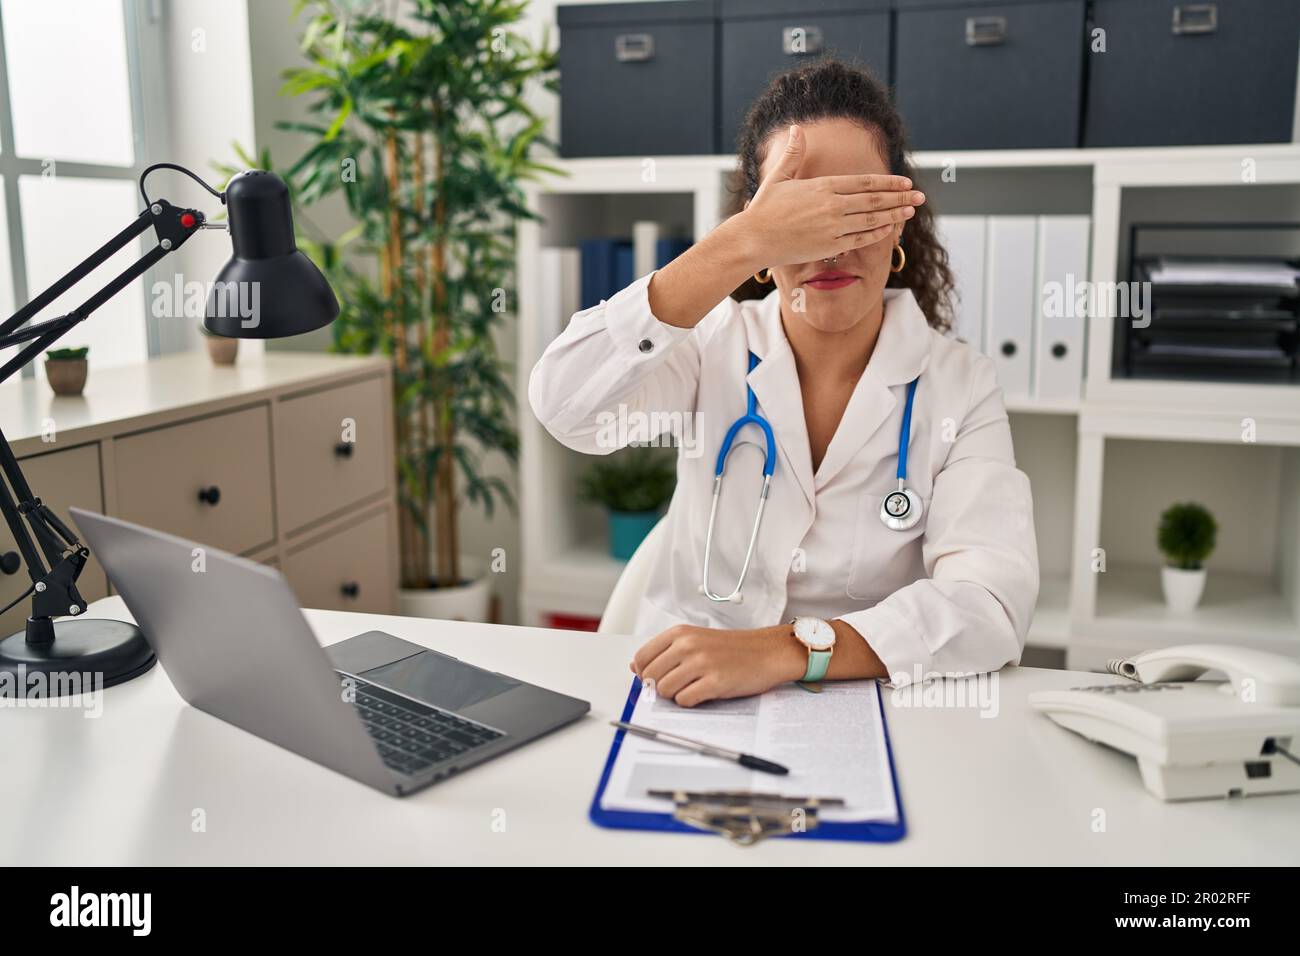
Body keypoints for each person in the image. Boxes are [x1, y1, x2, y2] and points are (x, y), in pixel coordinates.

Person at [529, 60, 1038, 707]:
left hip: (861, 704)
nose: (829, 246)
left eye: (854, 207)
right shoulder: (710, 346)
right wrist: (739, 242)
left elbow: (991, 604)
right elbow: (564, 406)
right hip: (680, 700)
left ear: (901, 217)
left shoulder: (960, 385)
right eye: (800, 215)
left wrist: (787, 650)